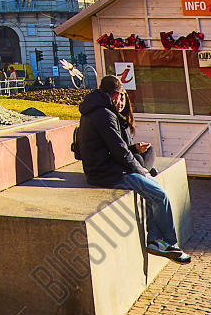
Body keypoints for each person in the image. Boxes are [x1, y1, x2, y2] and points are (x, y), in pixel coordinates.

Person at [75, 75, 190, 262]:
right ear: (114, 95)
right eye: (120, 96)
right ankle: (168, 243)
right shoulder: (103, 114)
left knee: (153, 187)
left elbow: (115, 147)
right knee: (159, 195)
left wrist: (134, 152)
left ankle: (156, 239)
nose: (121, 101)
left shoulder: (98, 110)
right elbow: (118, 150)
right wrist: (139, 169)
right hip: (107, 173)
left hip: (108, 168)